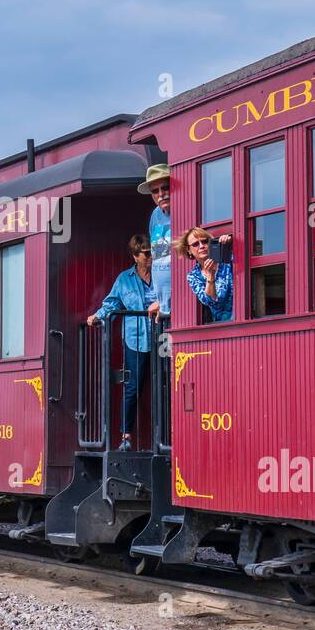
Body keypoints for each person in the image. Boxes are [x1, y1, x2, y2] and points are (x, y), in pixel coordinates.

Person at [87, 233, 156, 450]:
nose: (151, 256)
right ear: (135, 256)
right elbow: (112, 303)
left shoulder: (162, 273)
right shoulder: (124, 279)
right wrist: (97, 316)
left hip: (163, 337)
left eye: (152, 252)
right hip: (136, 339)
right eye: (146, 253)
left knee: (165, 386)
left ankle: (170, 437)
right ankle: (126, 437)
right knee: (133, 387)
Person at [179, 226, 233, 321]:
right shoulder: (193, 276)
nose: (201, 246)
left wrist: (231, 244)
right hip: (221, 324)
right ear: (188, 250)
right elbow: (209, 301)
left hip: (243, 315)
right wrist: (210, 276)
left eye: (204, 241)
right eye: (196, 244)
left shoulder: (225, 259)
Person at [139, 164, 172, 322]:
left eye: (165, 187)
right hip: (162, 306)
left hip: (184, 304)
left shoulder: (185, 209)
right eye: (155, 191)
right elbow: (159, 258)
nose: (161, 194)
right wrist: (160, 300)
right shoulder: (155, 215)